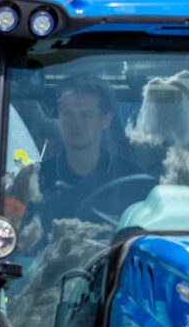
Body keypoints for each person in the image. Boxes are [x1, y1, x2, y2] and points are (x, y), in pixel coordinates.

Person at [35, 77, 147, 226]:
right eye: (67, 114)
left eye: (85, 115)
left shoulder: (136, 182)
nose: (75, 123)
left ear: (105, 121)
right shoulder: (36, 180)